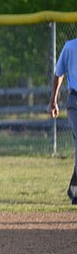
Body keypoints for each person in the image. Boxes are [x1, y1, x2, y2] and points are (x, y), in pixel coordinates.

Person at [48, 36, 77, 205]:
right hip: (75, 101)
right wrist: (53, 100)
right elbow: (59, 73)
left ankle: (74, 188)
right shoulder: (70, 46)